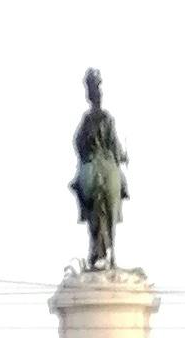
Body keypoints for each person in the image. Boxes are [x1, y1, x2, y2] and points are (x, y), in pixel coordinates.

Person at [70, 69, 128, 271]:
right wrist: (122, 156)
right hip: (105, 160)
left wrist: (87, 154)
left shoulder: (89, 120)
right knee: (118, 183)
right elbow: (115, 145)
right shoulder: (105, 119)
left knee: (79, 185)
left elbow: (78, 143)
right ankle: (122, 191)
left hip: (93, 162)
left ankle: (84, 209)